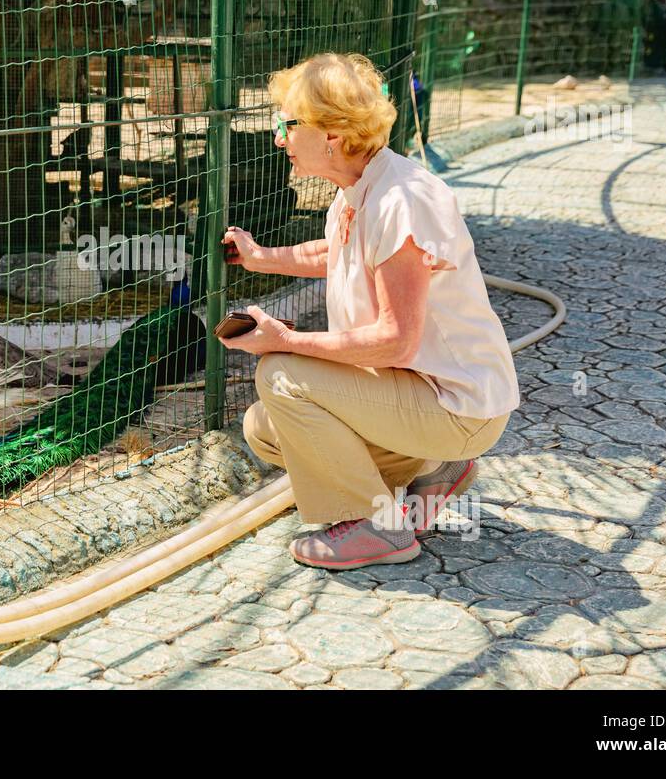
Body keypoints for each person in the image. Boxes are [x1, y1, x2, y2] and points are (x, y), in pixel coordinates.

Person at [220, 53, 519, 570]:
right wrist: (261, 259)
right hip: (423, 395)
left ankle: (376, 524)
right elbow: (336, 250)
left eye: (286, 124)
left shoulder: (401, 201)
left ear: (330, 135)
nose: (278, 139)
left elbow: (395, 340)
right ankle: (435, 471)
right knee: (265, 429)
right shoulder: (363, 186)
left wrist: (284, 342)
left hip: (458, 407)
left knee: (284, 376)